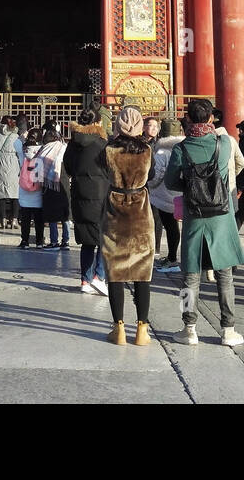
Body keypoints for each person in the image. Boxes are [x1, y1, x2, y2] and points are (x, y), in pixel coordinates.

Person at [164, 99, 244, 346]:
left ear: (188, 118)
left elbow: (170, 182)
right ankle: (228, 330)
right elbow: (236, 169)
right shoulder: (225, 143)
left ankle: (189, 328)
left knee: (190, 277)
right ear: (211, 118)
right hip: (222, 215)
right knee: (225, 276)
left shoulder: (181, 148)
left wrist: (191, 188)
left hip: (195, 215)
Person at [102, 106, 155, 346]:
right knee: (142, 272)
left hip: (115, 210)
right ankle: (142, 330)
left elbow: (102, 172)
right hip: (141, 210)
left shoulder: (108, 151)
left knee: (115, 271)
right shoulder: (147, 150)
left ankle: (118, 328)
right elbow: (151, 176)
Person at [65, 109, 110, 295]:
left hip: (78, 194)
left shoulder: (72, 144)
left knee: (86, 240)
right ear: (98, 123)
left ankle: (85, 279)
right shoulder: (102, 144)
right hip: (100, 193)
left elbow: (67, 167)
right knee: (103, 238)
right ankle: (99, 276)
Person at [149, 118, 184, 269]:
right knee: (174, 226)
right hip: (179, 193)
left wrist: (150, 186)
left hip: (163, 195)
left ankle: (171, 258)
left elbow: (155, 175)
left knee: (168, 225)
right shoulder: (184, 148)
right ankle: (173, 256)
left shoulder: (162, 151)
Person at [39, 123, 71, 249]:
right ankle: (66, 240)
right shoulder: (64, 147)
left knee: (52, 213)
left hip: (49, 183)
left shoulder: (44, 149)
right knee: (65, 213)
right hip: (63, 181)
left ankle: (54, 241)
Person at [17, 129, 46, 248]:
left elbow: (16, 143)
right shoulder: (43, 151)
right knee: (39, 219)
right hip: (38, 189)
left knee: (25, 219)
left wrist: (22, 136)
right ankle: (39, 241)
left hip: (24, 190)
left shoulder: (22, 151)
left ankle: (25, 241)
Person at [0, 117, 21, 229]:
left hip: (0, 163)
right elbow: (20, 152)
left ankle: (3, 219)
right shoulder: (16, 137)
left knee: (1, 193)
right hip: (13, 163)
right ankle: (14, 219)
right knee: (15, 193)